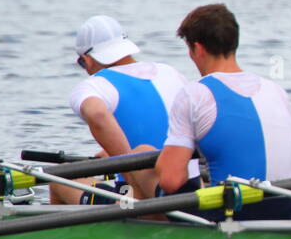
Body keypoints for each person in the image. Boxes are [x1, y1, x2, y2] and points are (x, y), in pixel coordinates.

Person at [156, 4, 291, 220]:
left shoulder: (195, 93)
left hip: (235, 215)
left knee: (165, 186)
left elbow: (171, 180)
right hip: (290, 210)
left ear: (197, 49)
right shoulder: (276, 90)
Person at [50, 16, 195, 205]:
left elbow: (97, 114)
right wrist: (112, 150)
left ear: (86, 60)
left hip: (139, 197)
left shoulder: (95, 85)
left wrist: (124, 162)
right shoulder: (170, 72)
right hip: (192, 187)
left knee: (59, 180)